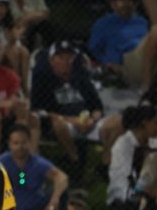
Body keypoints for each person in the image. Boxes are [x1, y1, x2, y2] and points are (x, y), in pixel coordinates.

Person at [31, 40, 123, 177]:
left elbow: (97, 106)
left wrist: (92, 119)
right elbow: (40, 110)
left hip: (88, 122)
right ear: (52, 60)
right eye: (61, 57)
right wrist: (73, 120)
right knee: (58, 124)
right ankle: (74, 161)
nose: (66, 61)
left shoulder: (81, 77)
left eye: (69, 57)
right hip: (65, 123)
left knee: (120, 121)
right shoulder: (43, 79)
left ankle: (105, 162)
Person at [0, 123, 68, 210]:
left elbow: (61, 177)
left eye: (23, 142)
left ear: (29, 143)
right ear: (9, 144)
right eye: (16, 143)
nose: (20, 147)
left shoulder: (37, 162)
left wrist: (54, 200)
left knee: (63, 195)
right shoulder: (1, 162)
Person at [107, 105, 157, 210]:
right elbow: (125, 178)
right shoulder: (123, 144)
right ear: (145, 123)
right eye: (156, 122)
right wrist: (142, 191)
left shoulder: (155, 143)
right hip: (125, 195)